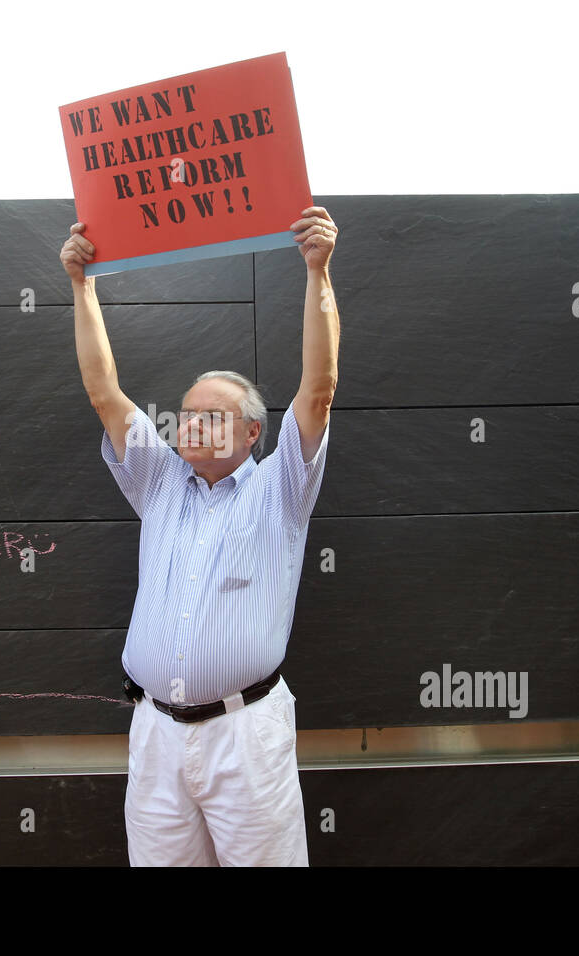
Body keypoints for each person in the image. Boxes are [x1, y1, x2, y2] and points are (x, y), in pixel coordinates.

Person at [60, 207, 340, 866]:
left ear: (250, 433)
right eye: (185, 414)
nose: (190, 424)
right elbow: (104, 392)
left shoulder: (281, 488)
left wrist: (318, 271)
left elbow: (319, 389)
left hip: (245, 737)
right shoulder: (158, 483)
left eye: (210, 415)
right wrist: (81, 285)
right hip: (155, 733)